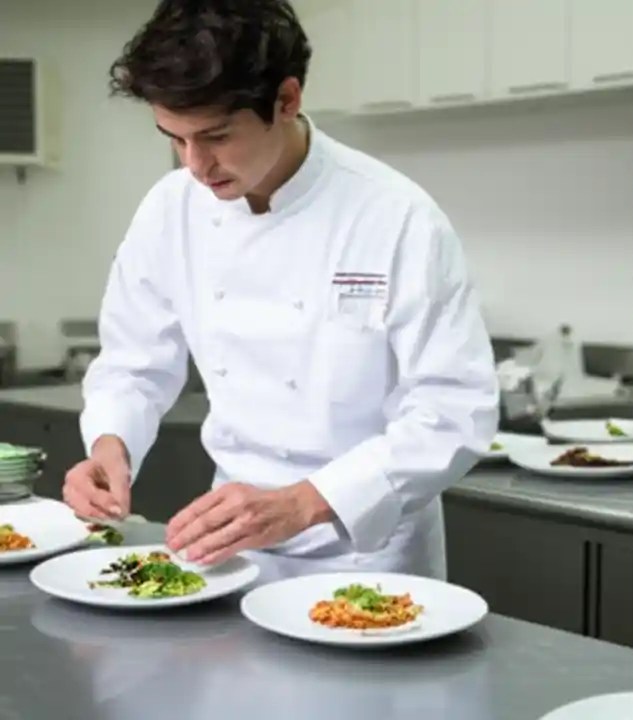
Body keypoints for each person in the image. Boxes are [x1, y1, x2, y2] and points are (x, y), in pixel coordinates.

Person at [60, 0, 499, 583]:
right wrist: (108, 446)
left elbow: (453, 410)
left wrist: (301, 503)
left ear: (287, 100)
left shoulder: (395, 215)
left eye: (215, 136)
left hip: (369, 557)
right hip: (228, 550)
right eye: (174, 138)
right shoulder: (171, 209)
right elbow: (132, 363)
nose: (195, 165)